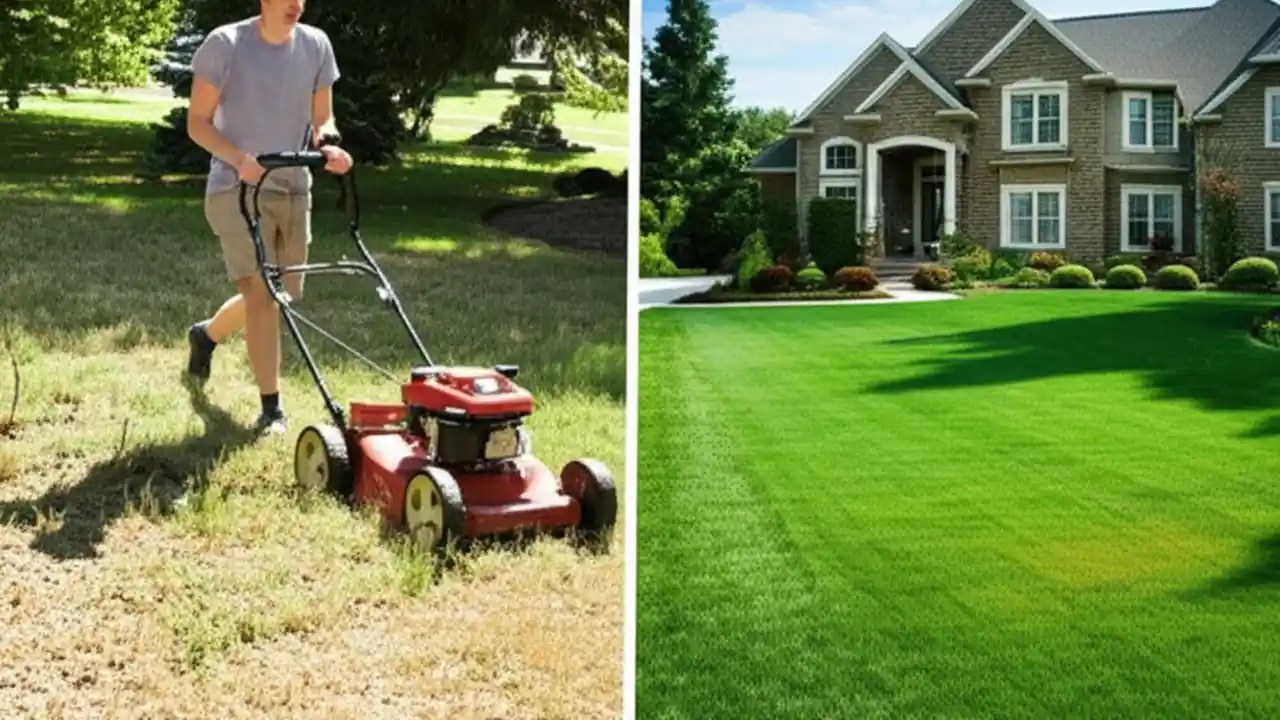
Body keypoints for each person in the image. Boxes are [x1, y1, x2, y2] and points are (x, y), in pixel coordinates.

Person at [183, 0, 352, 436]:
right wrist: (240, 160)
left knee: (283, 293)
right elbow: (197, 123)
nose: (297, 5)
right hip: (236, 186)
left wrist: (328, 141)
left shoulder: (316, 45)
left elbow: (323, 115)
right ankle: (271, 407)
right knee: (260, 293)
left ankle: (206, 335)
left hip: (293, 184)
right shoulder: (225, 44)